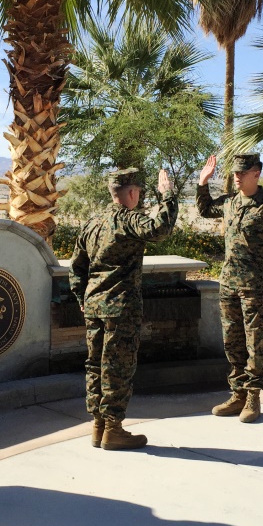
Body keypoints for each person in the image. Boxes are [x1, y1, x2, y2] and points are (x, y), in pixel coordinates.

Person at [69, 167, 178, 450]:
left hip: (94, 307)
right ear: (131, 193)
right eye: (139, 193)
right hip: (121, 308)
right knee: (117, 367)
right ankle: (113, 429)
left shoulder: (92, 223)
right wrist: (167, 195)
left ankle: (98, 426)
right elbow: (160, 229)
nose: (139, 198)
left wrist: (83, 300)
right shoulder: (127, 220)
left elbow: (77, 267)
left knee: (95, 366)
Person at [196, 153, 263, 423]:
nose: (236, 177)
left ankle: (253, 397)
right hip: (229, 283)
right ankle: (237, 393)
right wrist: (202, 183)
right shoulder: (230, 203)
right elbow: (205, 210)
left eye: (242, 173)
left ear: (256, 174)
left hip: (257, 287)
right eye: (235, 173)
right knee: (232, 342)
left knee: (255, 344)